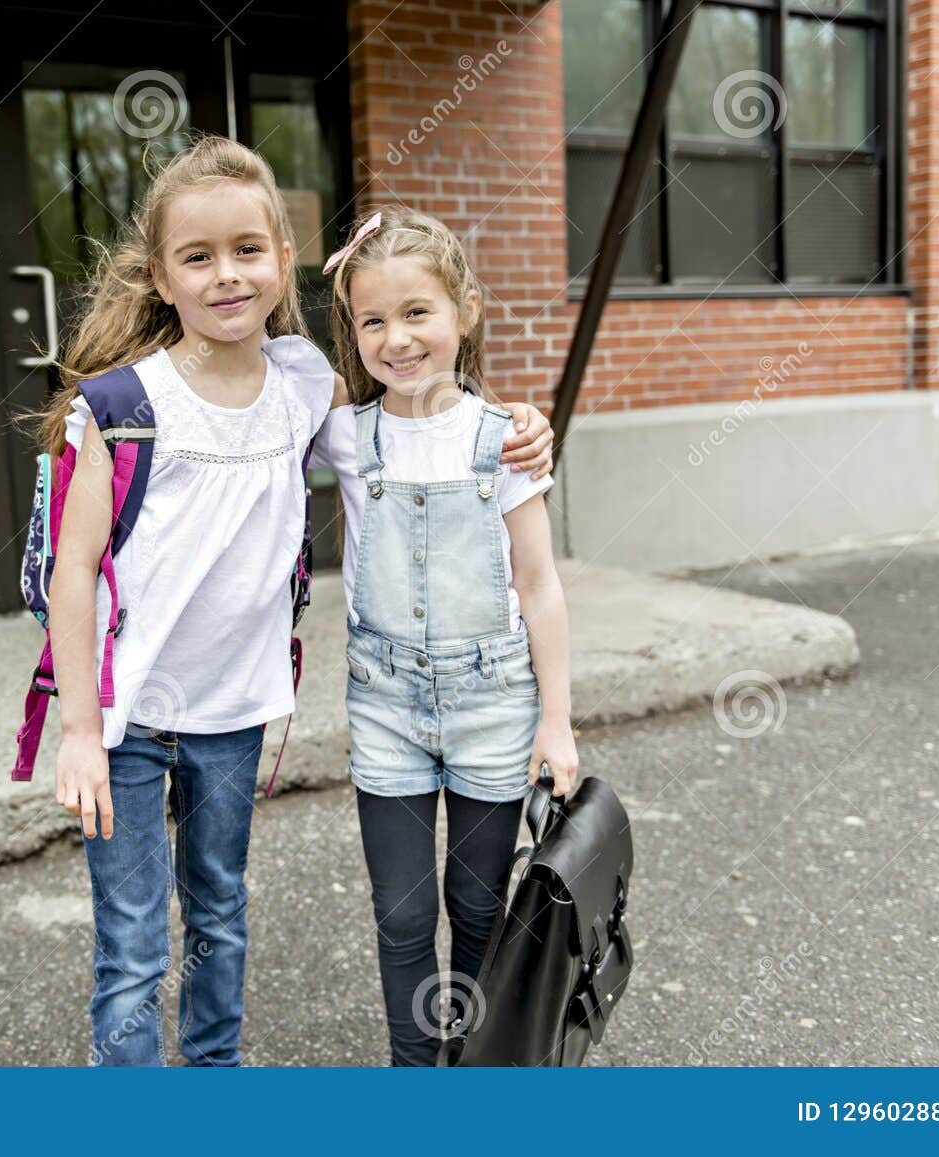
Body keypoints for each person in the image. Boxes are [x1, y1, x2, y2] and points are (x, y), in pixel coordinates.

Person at [34, 139, 555, 1066]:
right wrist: (78, 726)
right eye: (197, 257)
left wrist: (520, 425)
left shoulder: (307, 386)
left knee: (220, 915)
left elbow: (417, 419)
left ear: (283, 257)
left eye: (248, 249)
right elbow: (72, 569)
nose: (226, 274)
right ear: (160, 275)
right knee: (130, 946)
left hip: (235, 711)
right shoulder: (120, 406)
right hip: (121, 718)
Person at [311, 205, 581, 1066]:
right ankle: (411, 1072)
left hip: (493, 702)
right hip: (385, 702)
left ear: (465, 309)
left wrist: (557, 721)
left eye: (417, 312)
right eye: (373, 319)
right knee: (400, 914)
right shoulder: (344, 437)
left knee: (475, 906)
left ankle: (471, 1069)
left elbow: (539, 587)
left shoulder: (504, 441)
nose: (396, 338)